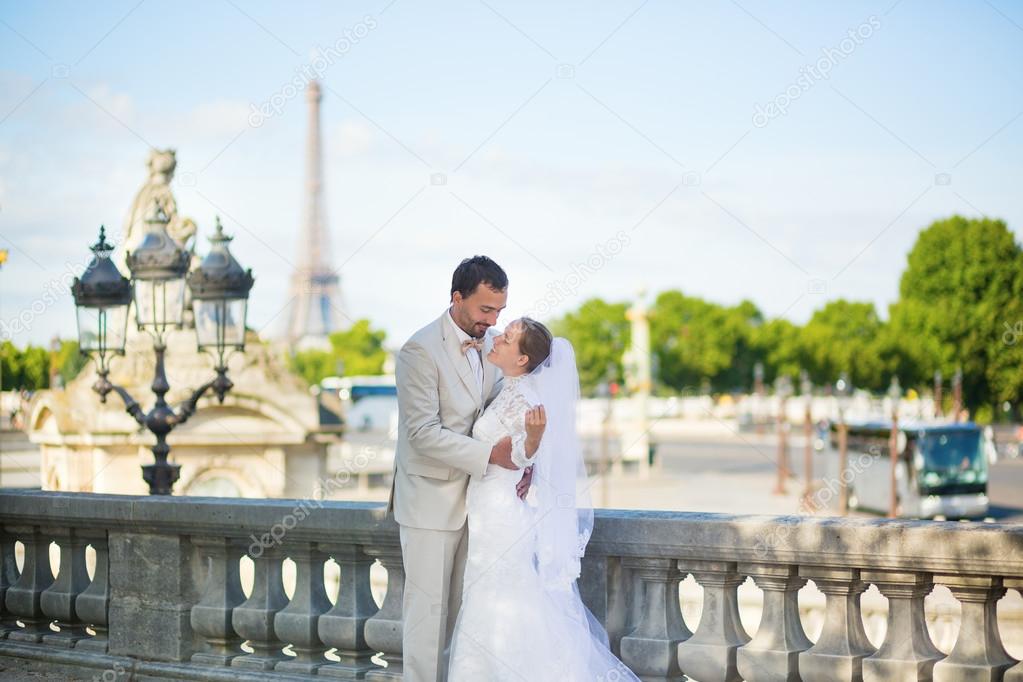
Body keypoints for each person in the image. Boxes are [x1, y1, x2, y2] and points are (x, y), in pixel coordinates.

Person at [447, 317, 638, 682]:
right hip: (487, 511)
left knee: (500, 603)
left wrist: (531, 445)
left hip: (501, 515)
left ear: (522, 360)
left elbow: (520, 454)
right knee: (491, 600)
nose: (497, 339)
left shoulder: (526, 400)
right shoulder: (510, 387)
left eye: (507, 338)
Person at [388, 256, 542, 682]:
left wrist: (526, 458)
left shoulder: (492, 345)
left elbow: (508, 408)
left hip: (481, 505)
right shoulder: (419, 350)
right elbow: (422, 433)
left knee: (463, 621)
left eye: (499, 311)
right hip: (430, 502)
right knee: (426, 622)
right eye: (485, 309)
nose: (492, 321)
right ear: (457, 297)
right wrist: (492, 455)